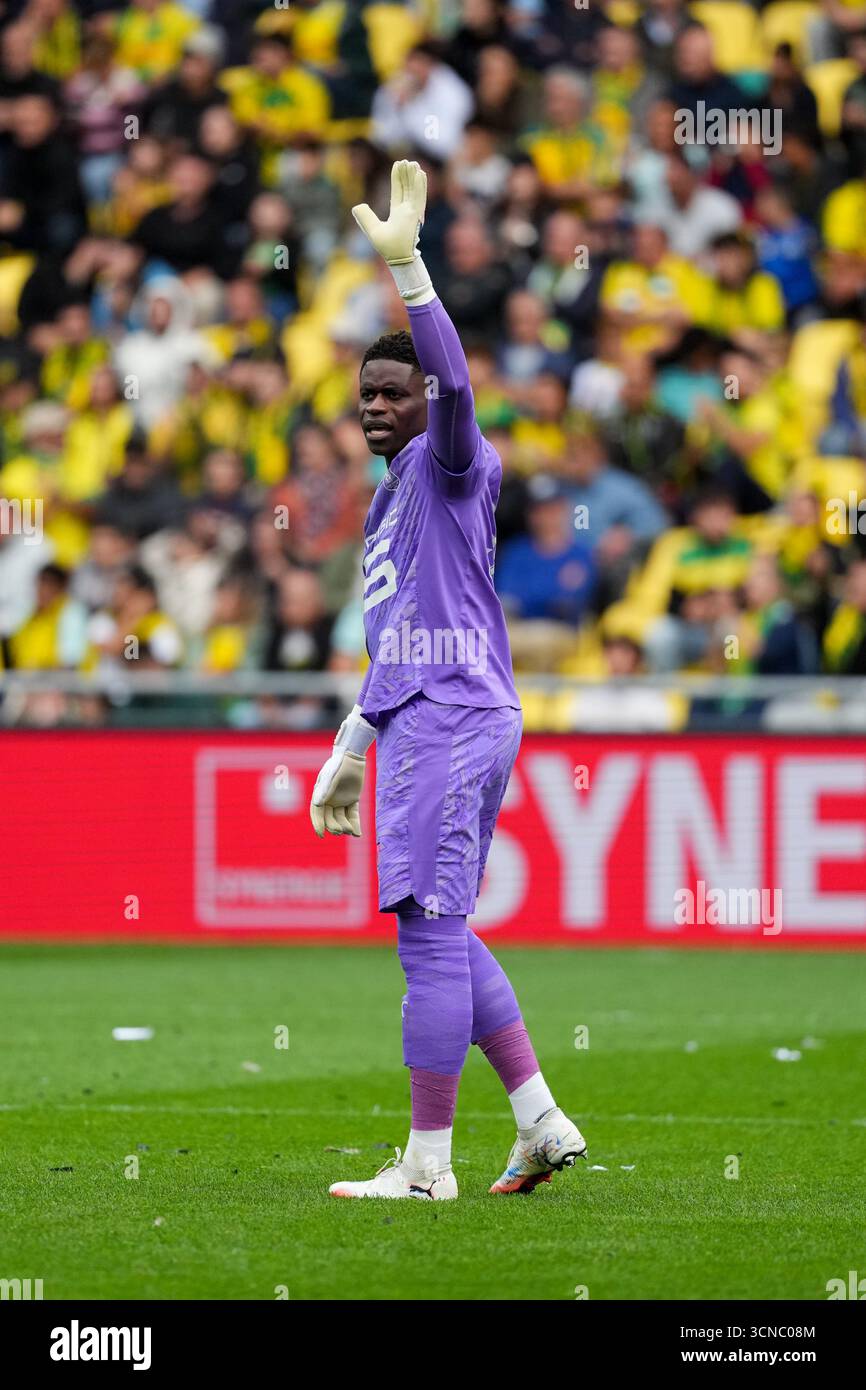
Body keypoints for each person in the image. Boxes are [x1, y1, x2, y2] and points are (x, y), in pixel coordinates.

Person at [310, 161, 587, 1201]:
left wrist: (406, 269)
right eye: (367, 397)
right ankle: (539, 1120)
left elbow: (457, 388)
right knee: (444, 925)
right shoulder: (390, 505)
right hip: (428, 713)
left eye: (393, 393)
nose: (379, 408)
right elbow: (402, 640)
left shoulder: (451, 464)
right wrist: (351, 740)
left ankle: (426, 1167)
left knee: (423, 933)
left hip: (453, 718)